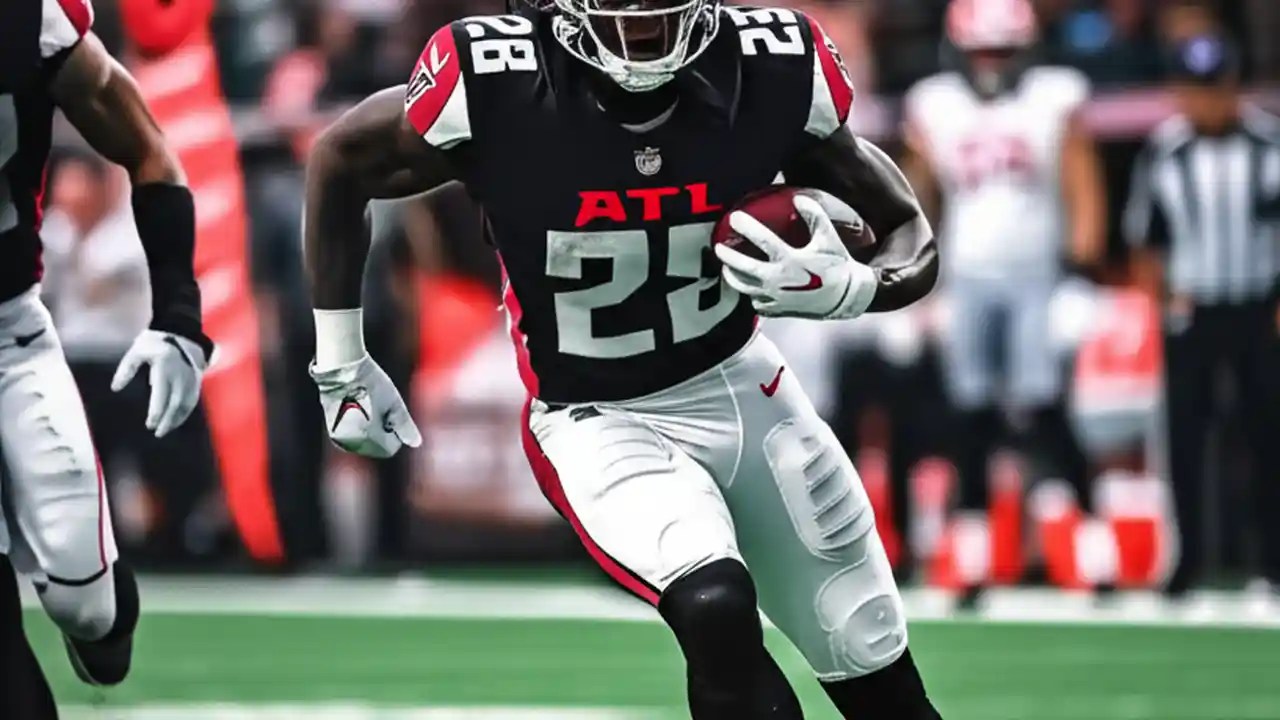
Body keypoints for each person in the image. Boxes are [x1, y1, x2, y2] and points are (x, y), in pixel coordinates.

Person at [304, 1, 943, 718]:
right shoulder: (498, 83)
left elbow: (906, 231)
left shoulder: (763, 67)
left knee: (871, 662)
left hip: (741, 388)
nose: (640, 13)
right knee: (715, 606)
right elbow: (339, 160)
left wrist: (858, 287)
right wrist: (342, 364)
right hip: (595, 414)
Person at [0, 0, 213, 713]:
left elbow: (148, 149)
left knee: (94, 619)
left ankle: (94, 610)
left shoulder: (30, 18)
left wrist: (178, 314)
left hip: (10, 339)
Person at [901, 0, 1104, 603]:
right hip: (966, 275)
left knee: (1044, 411)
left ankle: (1088, 548)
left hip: (1036, 274)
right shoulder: (935, 104)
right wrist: (908, 271)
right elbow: (915, 193)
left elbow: (1079, 173)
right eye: (982, 51)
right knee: (970, 416)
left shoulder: (1053, 97)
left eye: (1004, 51)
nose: (992, 64)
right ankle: (971, 553)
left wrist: (1084, 256)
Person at [1123, 34, 1280, 601]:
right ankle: (1187, 561)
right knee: (1185, 440)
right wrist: (1162, 305)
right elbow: (1146, 241)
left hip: (1258, 310)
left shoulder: (1270, 145)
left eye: (1217, 89)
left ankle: (1271, 562)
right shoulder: (1167, 151)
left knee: (1267, 435)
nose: (1208, 102)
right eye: (1197, 90)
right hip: (1192, 311)